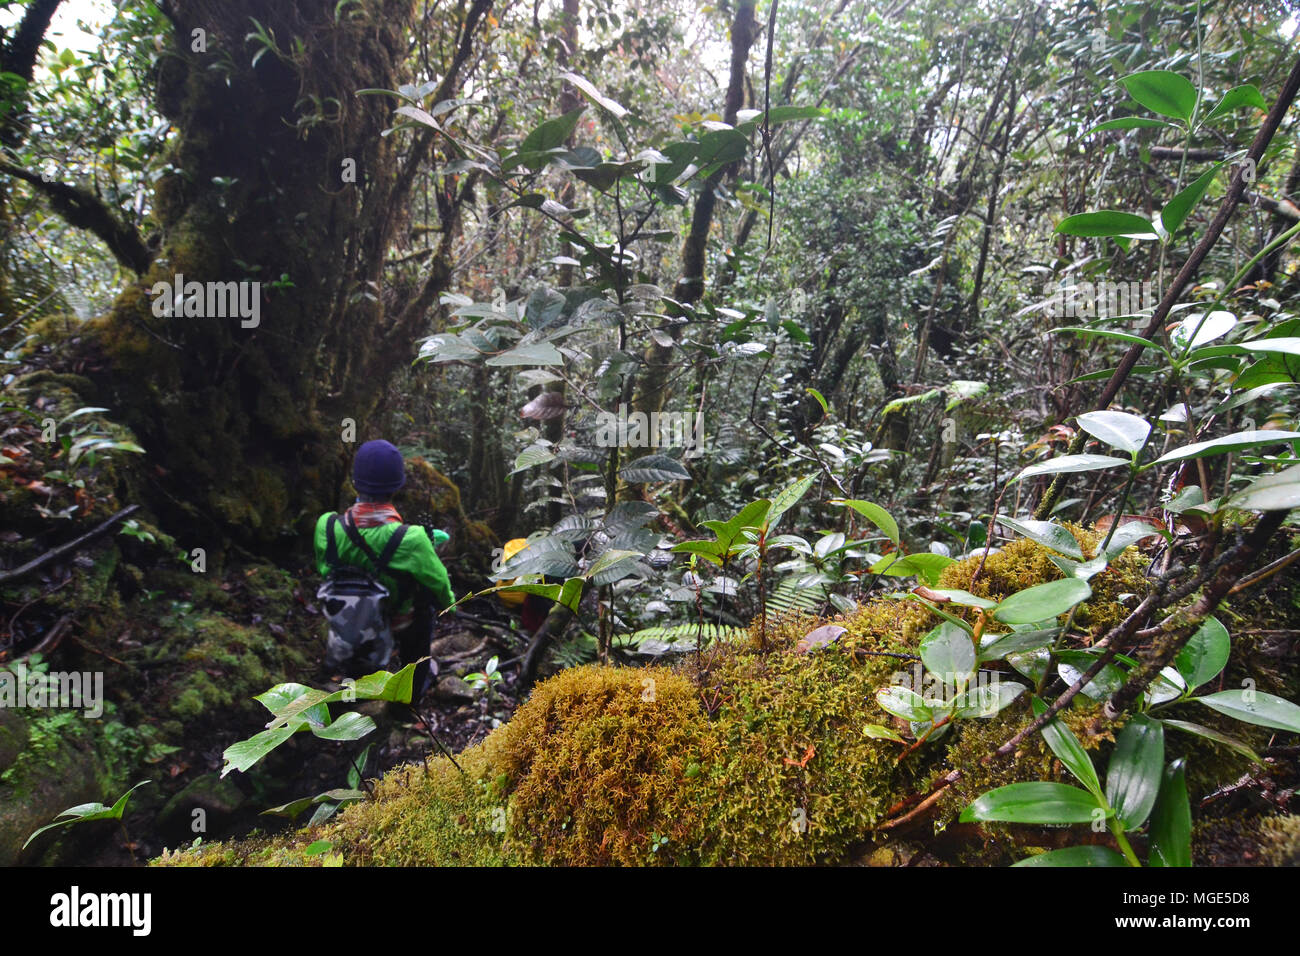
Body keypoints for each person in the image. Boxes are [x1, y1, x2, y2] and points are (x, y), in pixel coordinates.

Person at [313, 439, 455, 699]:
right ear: (398, 486)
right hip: (397, 621)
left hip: (348, 615)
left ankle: (354, 678)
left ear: (354, 481)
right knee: (425, 613)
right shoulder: (412, 539)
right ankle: (411, 693)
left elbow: (326, 571)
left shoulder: (327, 526)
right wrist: (451, 607)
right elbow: (440, 586)